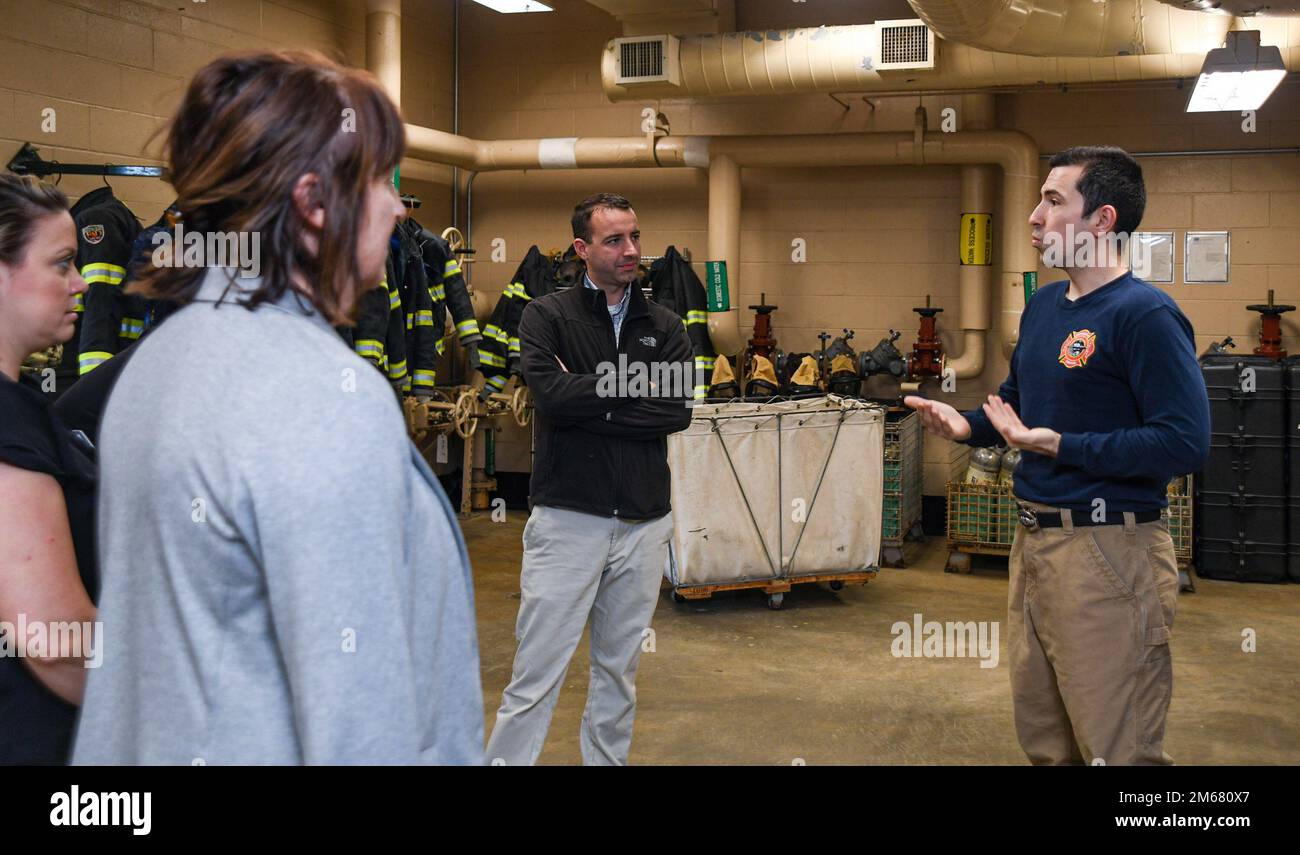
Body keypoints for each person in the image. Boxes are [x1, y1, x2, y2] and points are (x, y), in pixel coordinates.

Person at [70, 51, 483, 765]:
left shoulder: (157, 364)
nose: (395, 206)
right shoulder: (319, 397)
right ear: (313, 200)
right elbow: (359, 723)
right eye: (382, 179)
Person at [906, 145, 1210, 765]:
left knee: (1117, 749)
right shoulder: (1045, 307)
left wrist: (1062, 446)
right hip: (1034, 545)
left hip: (1110, 553)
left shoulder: (1145, 315)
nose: (1033, 217)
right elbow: (1020, 407)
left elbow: (1184, 441)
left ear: (1101, 220)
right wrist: (966, 427)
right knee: (1046, 741)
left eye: (1052, 201)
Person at [486, 193, 693, 765]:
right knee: (535, 675)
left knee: (617, 675)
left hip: (643, 523)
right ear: (582, 249)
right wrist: (630, 388)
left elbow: (676, 411)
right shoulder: (546, 316)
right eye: (614, 240)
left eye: (635, 237)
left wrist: (591, 393)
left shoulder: (665, 323)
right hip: (568, 520)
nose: (631, 250)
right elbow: (550, 398)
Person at [0, 173, 98, 764]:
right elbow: (56, 641)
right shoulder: (8, 420)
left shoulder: (24, 407)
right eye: (62, 264)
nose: (82, 283)